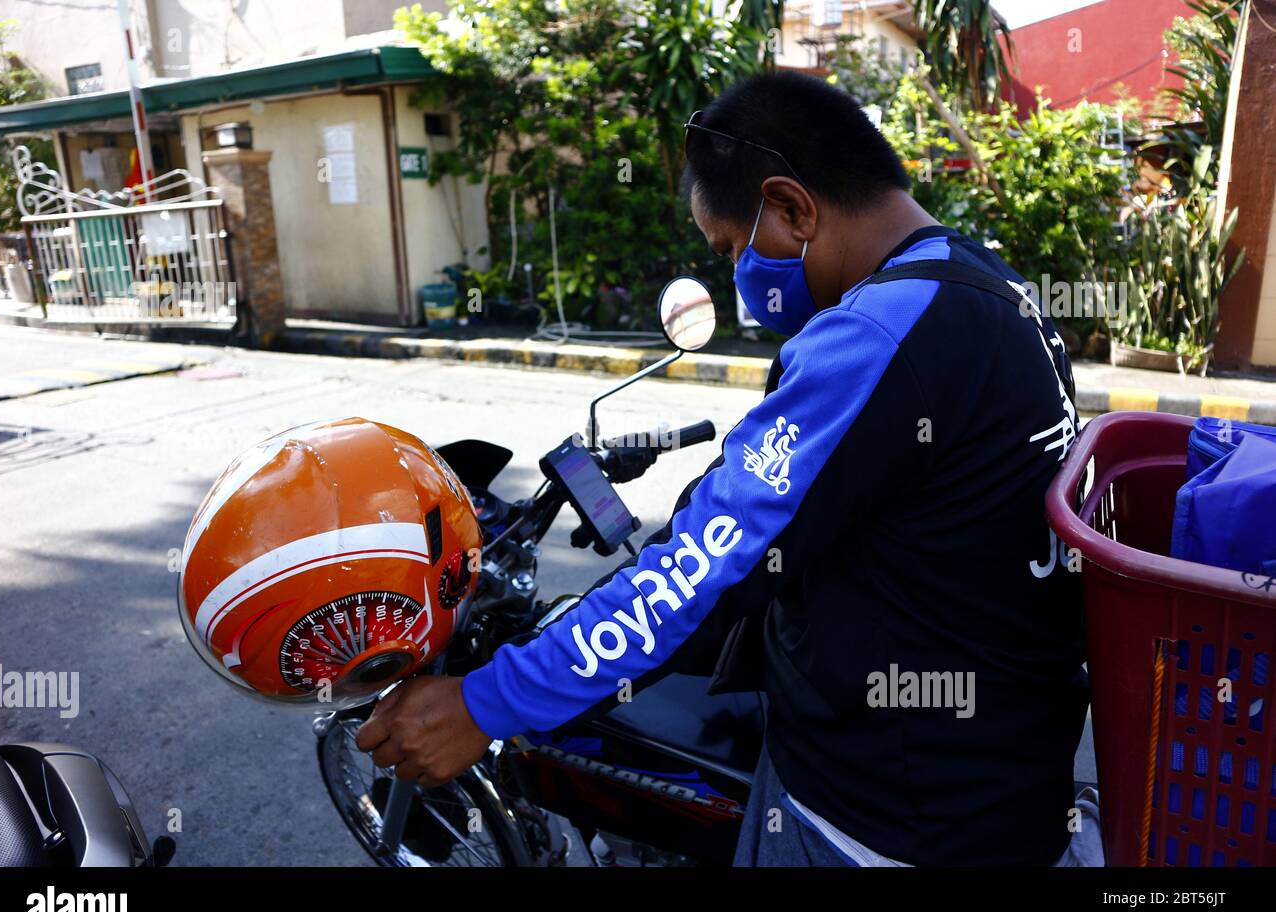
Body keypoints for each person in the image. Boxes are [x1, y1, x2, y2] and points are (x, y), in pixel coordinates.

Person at [356, 71, 1089, 867]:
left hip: (878, 817)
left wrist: (486, 702)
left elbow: (696, 574)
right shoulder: (985, 281)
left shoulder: (875, 333)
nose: (739, 276)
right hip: (1000, 780)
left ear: (794, 206)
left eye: (734, 248)